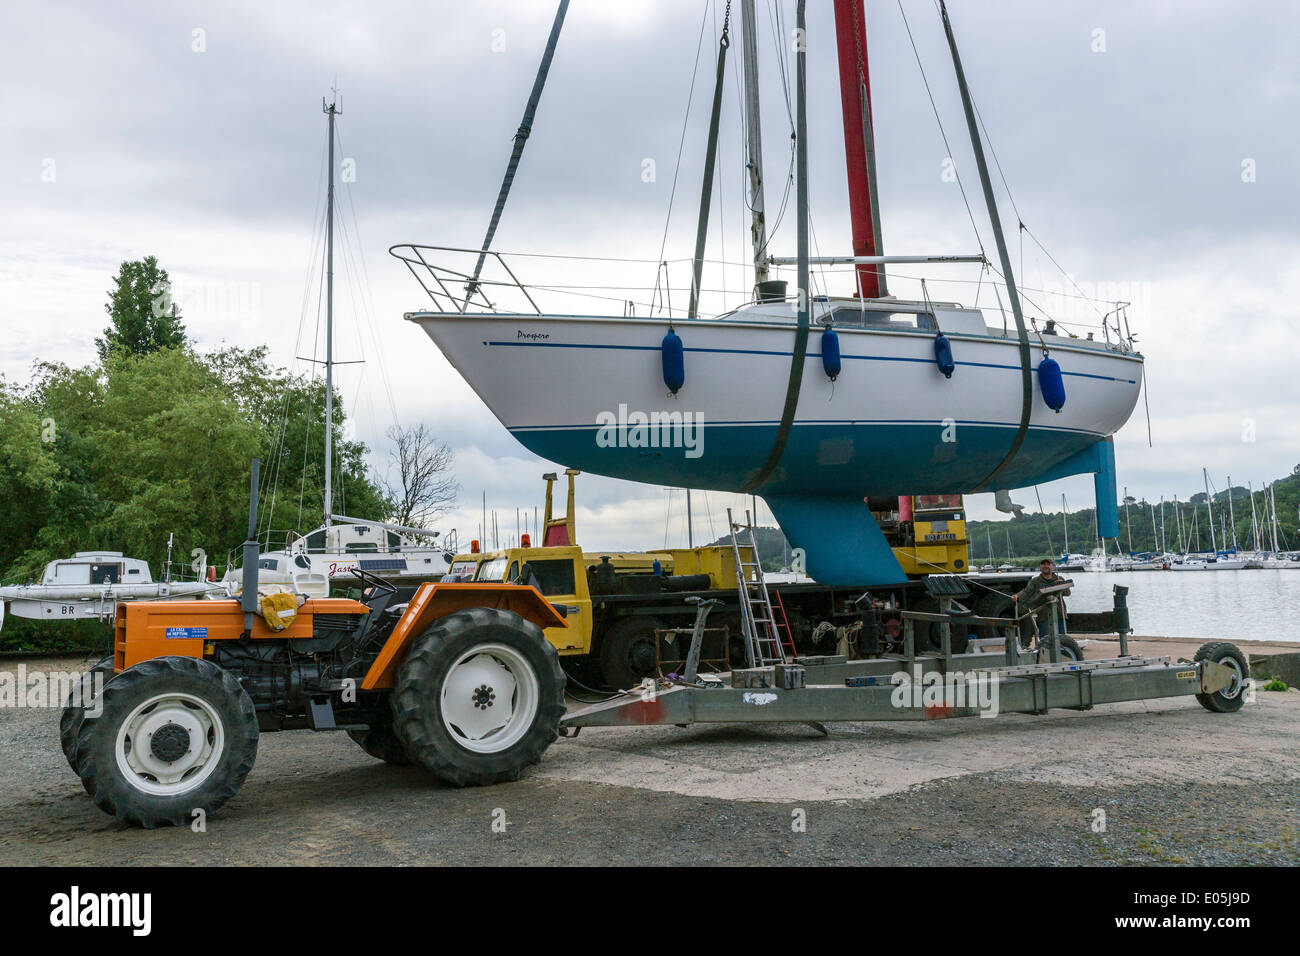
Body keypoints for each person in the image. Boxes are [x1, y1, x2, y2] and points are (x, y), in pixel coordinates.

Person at [1012, 558, 1071, 643]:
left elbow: (1067, 593)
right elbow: (1026, 592)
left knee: (1062, 639)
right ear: (1040, 567)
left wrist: (1062, 584)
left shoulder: (1059, 578)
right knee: (1045, 640)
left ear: (1052, 566)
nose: (1046, 566)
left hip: (1059, 614)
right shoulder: (1035, 581)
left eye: (1048, 564)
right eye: (1043, 564)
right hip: (1043, 615)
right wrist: (1017, 596)